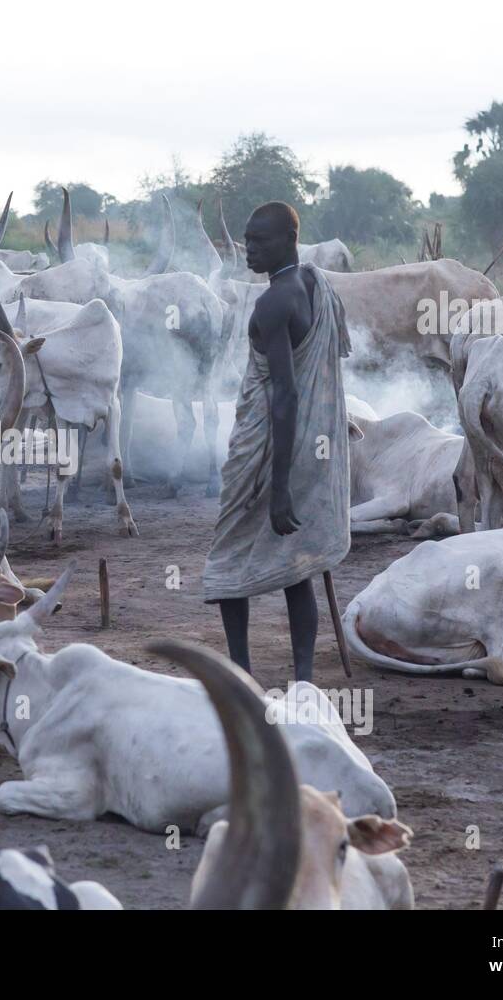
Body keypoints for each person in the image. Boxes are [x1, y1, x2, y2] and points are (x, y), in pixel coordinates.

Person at [202, 201, 352, 682]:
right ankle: (303, 679)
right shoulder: (315, 283)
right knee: (297, 564)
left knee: (227, 559)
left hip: (269, 447)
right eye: (247, 240)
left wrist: (279, 485)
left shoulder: (273, 302)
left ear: (289, 239)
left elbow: (286, 393)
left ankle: (242, 674)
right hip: (311, 444)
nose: (249, 249)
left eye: (260, 241)